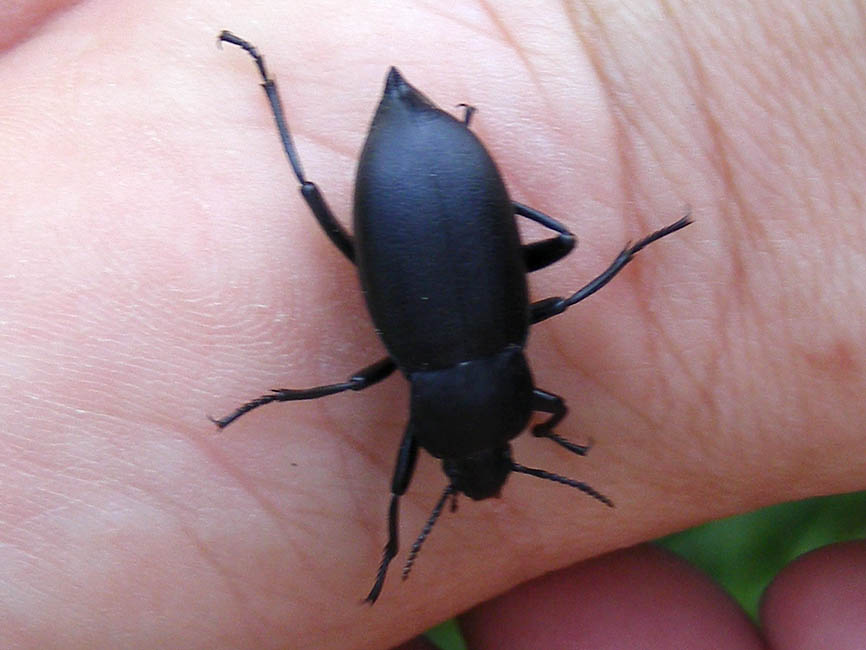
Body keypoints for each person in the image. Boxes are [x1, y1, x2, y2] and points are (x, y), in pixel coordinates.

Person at [2, 2, 864, 648]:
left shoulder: (513, 365)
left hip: (437, 181)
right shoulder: (446, 379)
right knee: (328, 204)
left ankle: (279, 83)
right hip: (439, 169)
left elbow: (561, 326)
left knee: (533, 245)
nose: (509, 444)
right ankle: (283, 87)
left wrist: (622, 252)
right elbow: (429, 415)